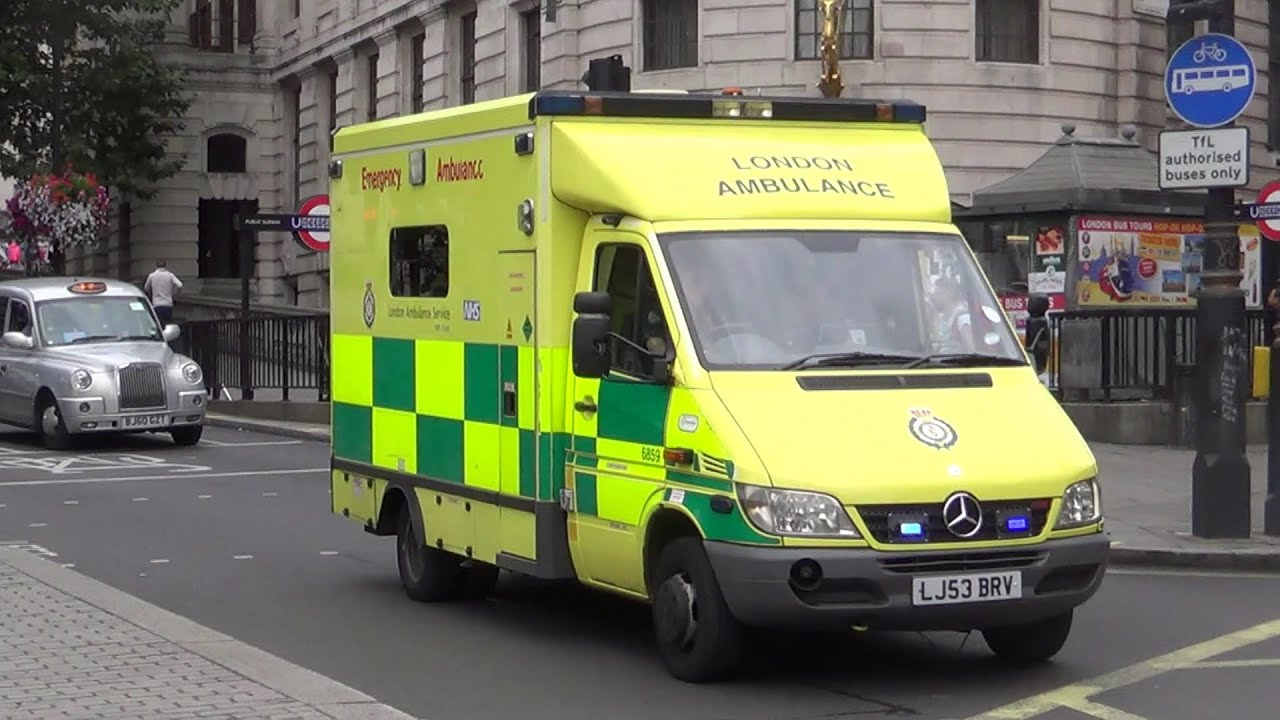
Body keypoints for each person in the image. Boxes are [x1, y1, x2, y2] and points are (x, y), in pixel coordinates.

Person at [144, 260, 183, 326]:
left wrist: (151, 294)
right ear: (165, 266)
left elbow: (146, 288)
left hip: (156, 303)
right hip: (168, 303)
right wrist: (174, 293)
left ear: (156, 266)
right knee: (168, 324)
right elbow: (180, 285)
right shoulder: (170, 275)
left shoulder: (152, 276)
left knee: (158, 324)